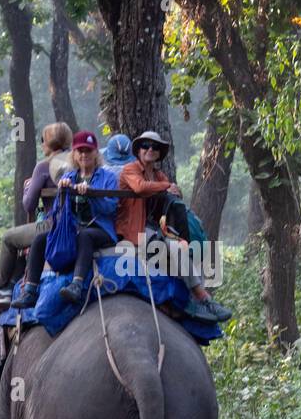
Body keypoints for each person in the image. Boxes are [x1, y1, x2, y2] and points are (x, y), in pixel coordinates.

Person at [114, 130, 232, 323]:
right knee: (164, 248)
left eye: (155, 147)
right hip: (135, 229)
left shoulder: (159, 175)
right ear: (139, 150)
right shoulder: (130, 170)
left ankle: (202, 298)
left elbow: (173, 193)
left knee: (182, 246)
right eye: (145, 146)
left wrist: (171, 189)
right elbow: (140, 187)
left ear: (159, 153)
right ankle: (199, 296)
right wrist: (166, 186)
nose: (150, 149)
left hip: (156, 226)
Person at [0, 122, 72, 309]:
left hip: (54, 225)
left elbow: (29, 205)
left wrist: (28, 189)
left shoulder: (45, 166)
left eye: (43, 140)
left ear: (50, 142)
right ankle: (10, 286)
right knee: (22, 248)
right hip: (82, 224)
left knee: (9, 238)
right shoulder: (80, 160)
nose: (42, 144)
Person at [20, 129, 119, 309]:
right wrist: (64, 192)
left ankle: (77, 284)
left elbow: (110, 208)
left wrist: (91, 195)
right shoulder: (68, 176)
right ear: (74, 154)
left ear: (96, 153)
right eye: (80, 151)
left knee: (85, 236)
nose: (84, 155)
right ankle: (30, 290)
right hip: (73, 228)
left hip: (100, 229)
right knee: (40, 239)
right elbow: (58, 211)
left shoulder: (108, 177)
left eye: (88, 150)